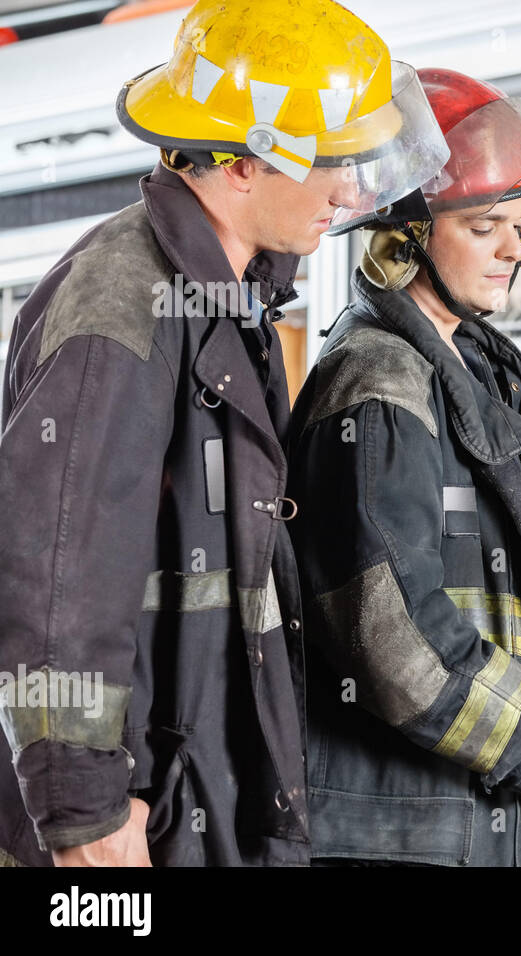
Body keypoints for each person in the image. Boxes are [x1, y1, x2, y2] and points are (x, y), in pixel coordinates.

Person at [0, 0, 445, 866]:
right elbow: (55, 575)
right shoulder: (121, 303)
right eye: (332, 163)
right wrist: (84, 812)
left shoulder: (228, 301)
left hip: (202, 794)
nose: (353, 192)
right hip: (128, 822)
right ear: (243, 165)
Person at [285, 70, 521, 866]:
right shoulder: (378, 382)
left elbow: (505, 577)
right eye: (487, 225)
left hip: (465, 822)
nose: (516, 249)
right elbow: (391, 637)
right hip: (401, 838)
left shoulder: (469, 367)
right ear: (405, 236)